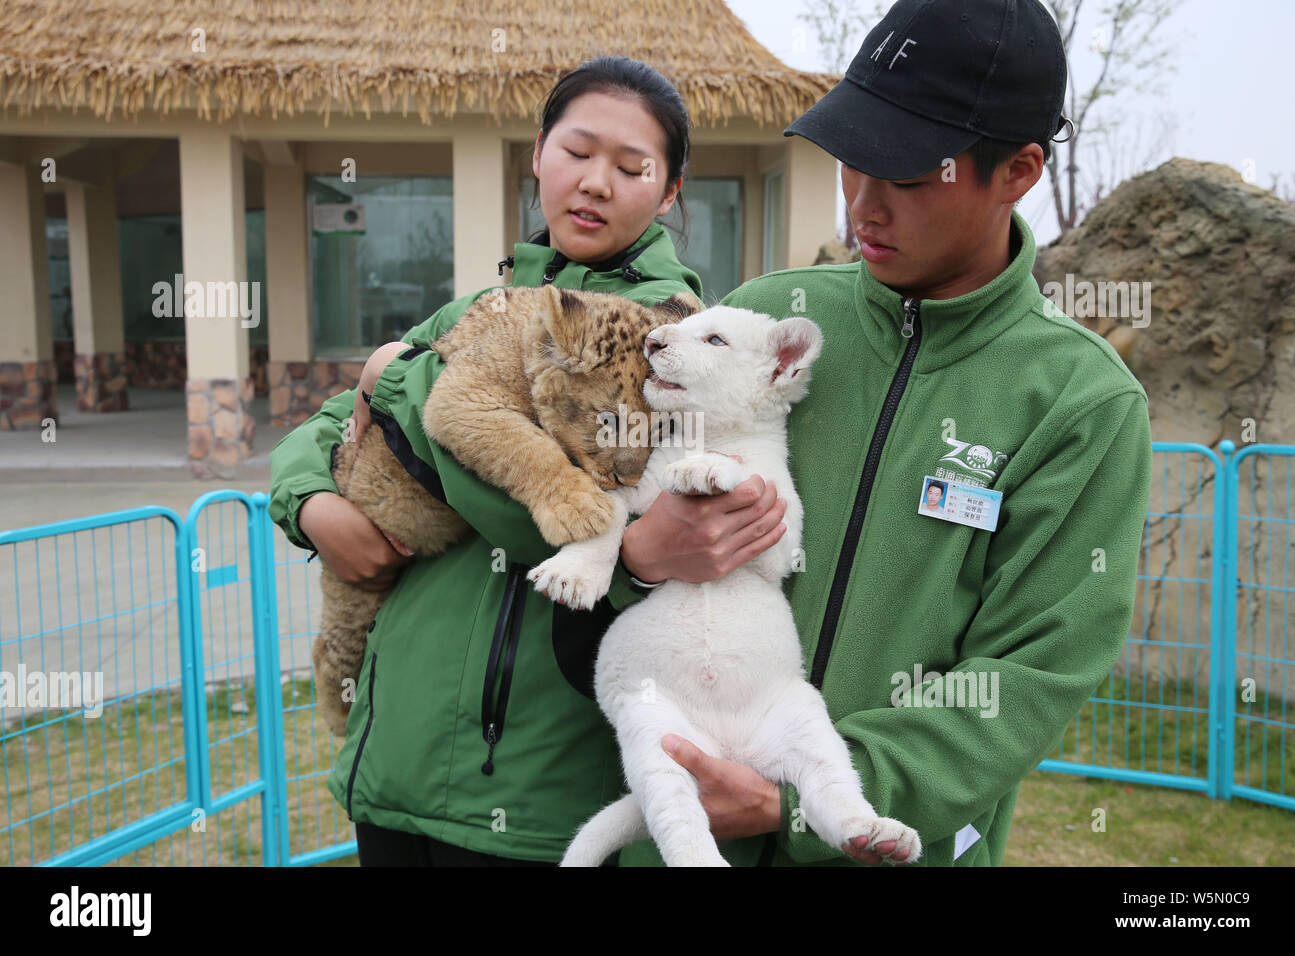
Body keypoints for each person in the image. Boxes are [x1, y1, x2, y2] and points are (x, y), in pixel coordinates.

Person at [613, 0, 1152, 866]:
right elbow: (620, 510)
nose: (864, 206)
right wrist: (638, 554)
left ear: (1017, 172)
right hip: (682, 825)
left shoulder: (1078, 403)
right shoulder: (761, 323)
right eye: (852, 163)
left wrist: (815, 793)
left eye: (906, 178)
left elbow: (1030, 674)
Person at [268, 56, 711, 865]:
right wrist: (311, 506)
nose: (595, 183)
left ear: (670, 190)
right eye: (576, 151)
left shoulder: (663, 333)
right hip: (395, 762)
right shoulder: (480, 306)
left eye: (631, 166)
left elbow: (542, 510)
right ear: (538, 153)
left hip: (535, 791)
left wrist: (390, 373)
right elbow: (322, 425)